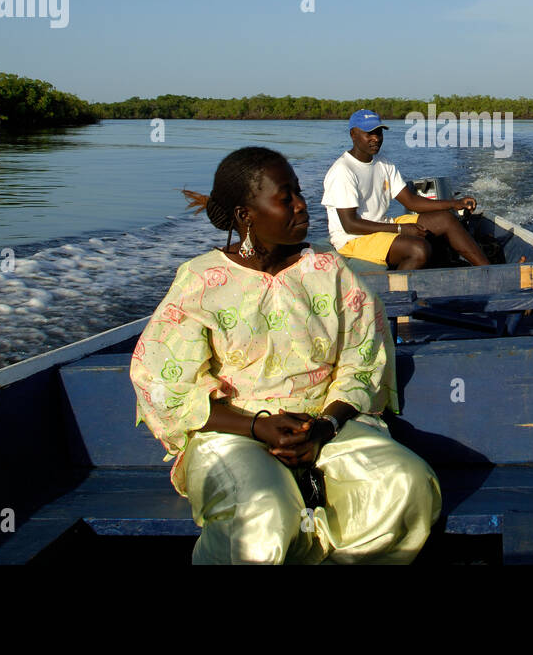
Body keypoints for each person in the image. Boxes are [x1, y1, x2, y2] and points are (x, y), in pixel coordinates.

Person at [129, 146, 442, 564]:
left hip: (328, 422)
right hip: (232, 432)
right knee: (262, 517)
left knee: (407, 484)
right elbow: (163, 383)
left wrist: (324, 426)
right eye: (285, 198)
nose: (301, 205)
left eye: (298, 192)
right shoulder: (201, 280)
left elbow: (363, 360)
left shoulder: (329, 271)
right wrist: (259, 427)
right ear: (246, 216)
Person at [321, 109, 491, 271]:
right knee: (418, 249)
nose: (376, 138)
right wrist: (401, 229)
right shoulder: (343, 171)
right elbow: (350, 225)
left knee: (446, 219)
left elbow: (411, 201)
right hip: (353, 239)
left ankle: (489, 271)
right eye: (369, 133)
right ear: (353, 134)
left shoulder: (383, 163)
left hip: (381, 225)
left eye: (379, 133)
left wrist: (454, 204)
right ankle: (396, 293)